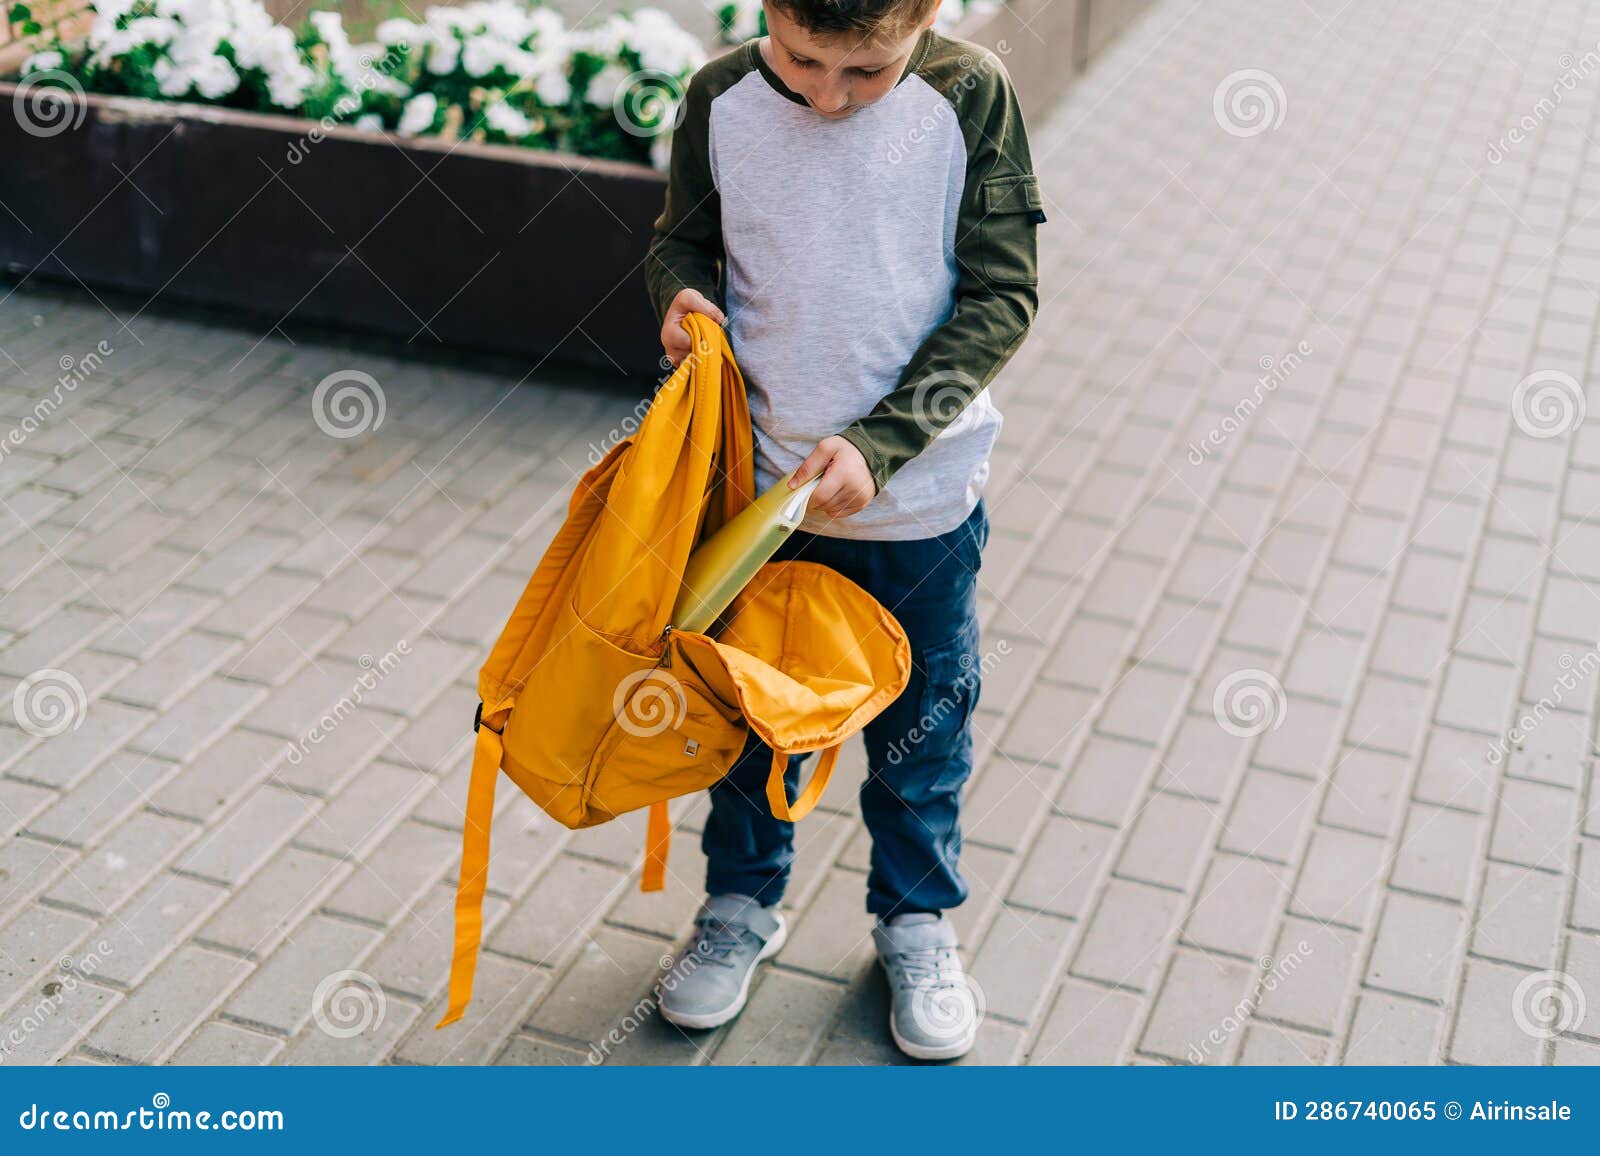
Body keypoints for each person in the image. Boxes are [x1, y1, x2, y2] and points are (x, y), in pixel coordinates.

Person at [643, 0, 1042, 1060]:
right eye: (800, 57)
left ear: (927, 16)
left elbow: (1003, 293)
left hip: (918, 504)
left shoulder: (969, 96)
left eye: (863, 70)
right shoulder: (721, 97)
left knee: (920, 728)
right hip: (759, 502)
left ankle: (914, 920)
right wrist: (679, 300)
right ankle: (739, 905)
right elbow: (682, 242)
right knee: (749, 720)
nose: (825, 95)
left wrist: (886, 439)